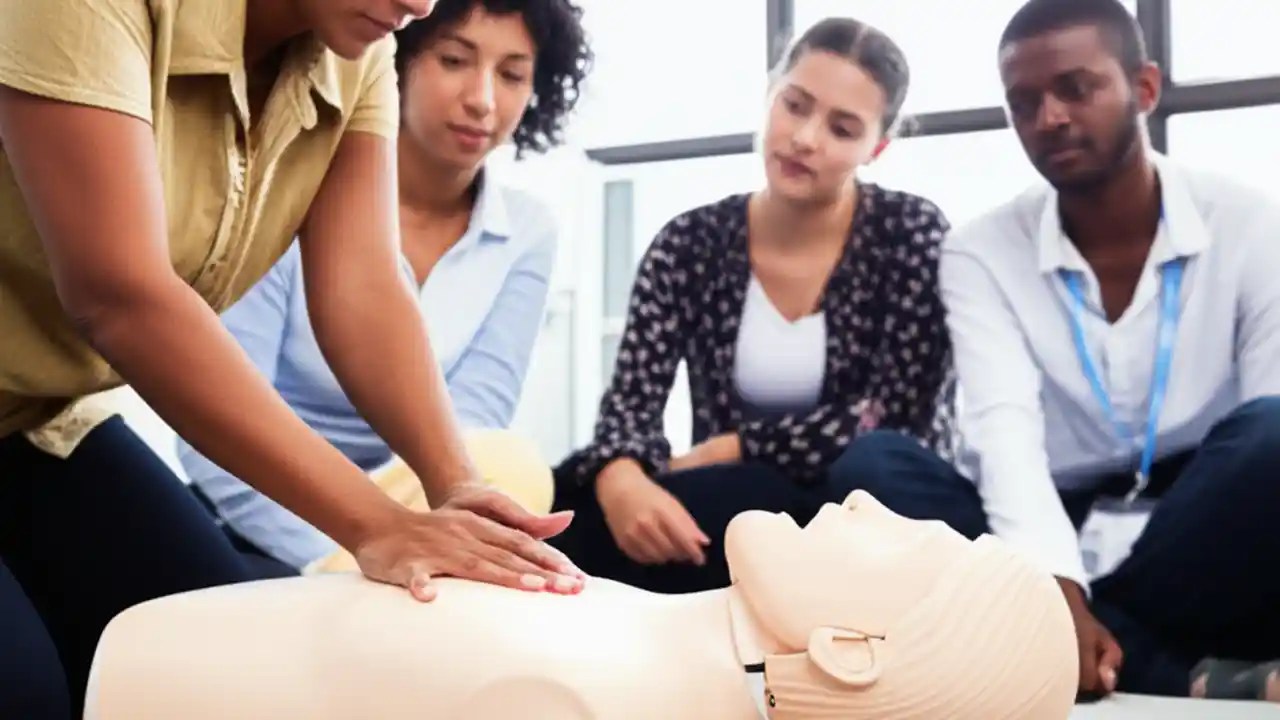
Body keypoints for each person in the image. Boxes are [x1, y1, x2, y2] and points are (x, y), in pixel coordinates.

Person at [0, 1, 584, 716]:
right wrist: (377, 524)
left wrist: (455, 484)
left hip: (36, 419)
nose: (420, 6)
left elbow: (364, 289)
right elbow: (122, 295)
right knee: (23, 689)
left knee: (227, 672)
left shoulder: (356, 53)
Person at [855, 0, 1280, 703]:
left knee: (1276, 432)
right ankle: (1171, 669)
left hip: (1197, 514)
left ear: (1144, 88)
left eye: (1075, 89)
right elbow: (1005, 435)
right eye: (1023, 103)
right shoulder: (981, 251)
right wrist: (1053, 593)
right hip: (1039, 510)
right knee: (874, 470)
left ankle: (1071, 646)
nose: (1047, 117)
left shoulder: (1250, 223)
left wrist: (1061, 612)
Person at [551, 17, 974, 595]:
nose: (805, 137)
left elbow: (896, 419)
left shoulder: (911, 232)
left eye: (842, 128)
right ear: (770, 95)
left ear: (876, 147)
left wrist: (735, 445)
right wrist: (621, 478)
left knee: (868, 468)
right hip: (747, 508)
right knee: (565, 505)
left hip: (877, 514)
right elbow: (629, 406)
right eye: (794, 105)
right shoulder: (689, 243)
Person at [178, 0, 593, 577]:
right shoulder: (295, 178)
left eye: (512, 74)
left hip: (417, 509)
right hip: (272, 514)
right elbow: (211, 429)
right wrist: (343, 554)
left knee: (512, 464)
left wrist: (424, 526)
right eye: (453, 60)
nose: (482, 99)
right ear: (396, 51)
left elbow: (474, 429)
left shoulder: (529, 231)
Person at [84, 491, 1078, 720]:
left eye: (914, 547)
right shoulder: (635, 644)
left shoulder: (590, 695)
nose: (865, 504)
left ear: (851, 651)